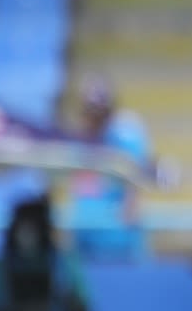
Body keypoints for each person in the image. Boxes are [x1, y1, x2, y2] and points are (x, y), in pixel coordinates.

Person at [0, 193, 91, 311]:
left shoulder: (63, 263)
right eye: (23, 226)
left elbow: (83, 308)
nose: (28, 234)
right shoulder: (0, 267)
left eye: (33, 227)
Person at [66, 74, 154, 263]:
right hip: (87, 233)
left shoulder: (125, 136)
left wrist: (130, 211)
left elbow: (134, 181)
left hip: (118, 236)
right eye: (89, 111)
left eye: (98, 112)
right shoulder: (83, 139)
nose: (93, 118)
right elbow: (82, 189)